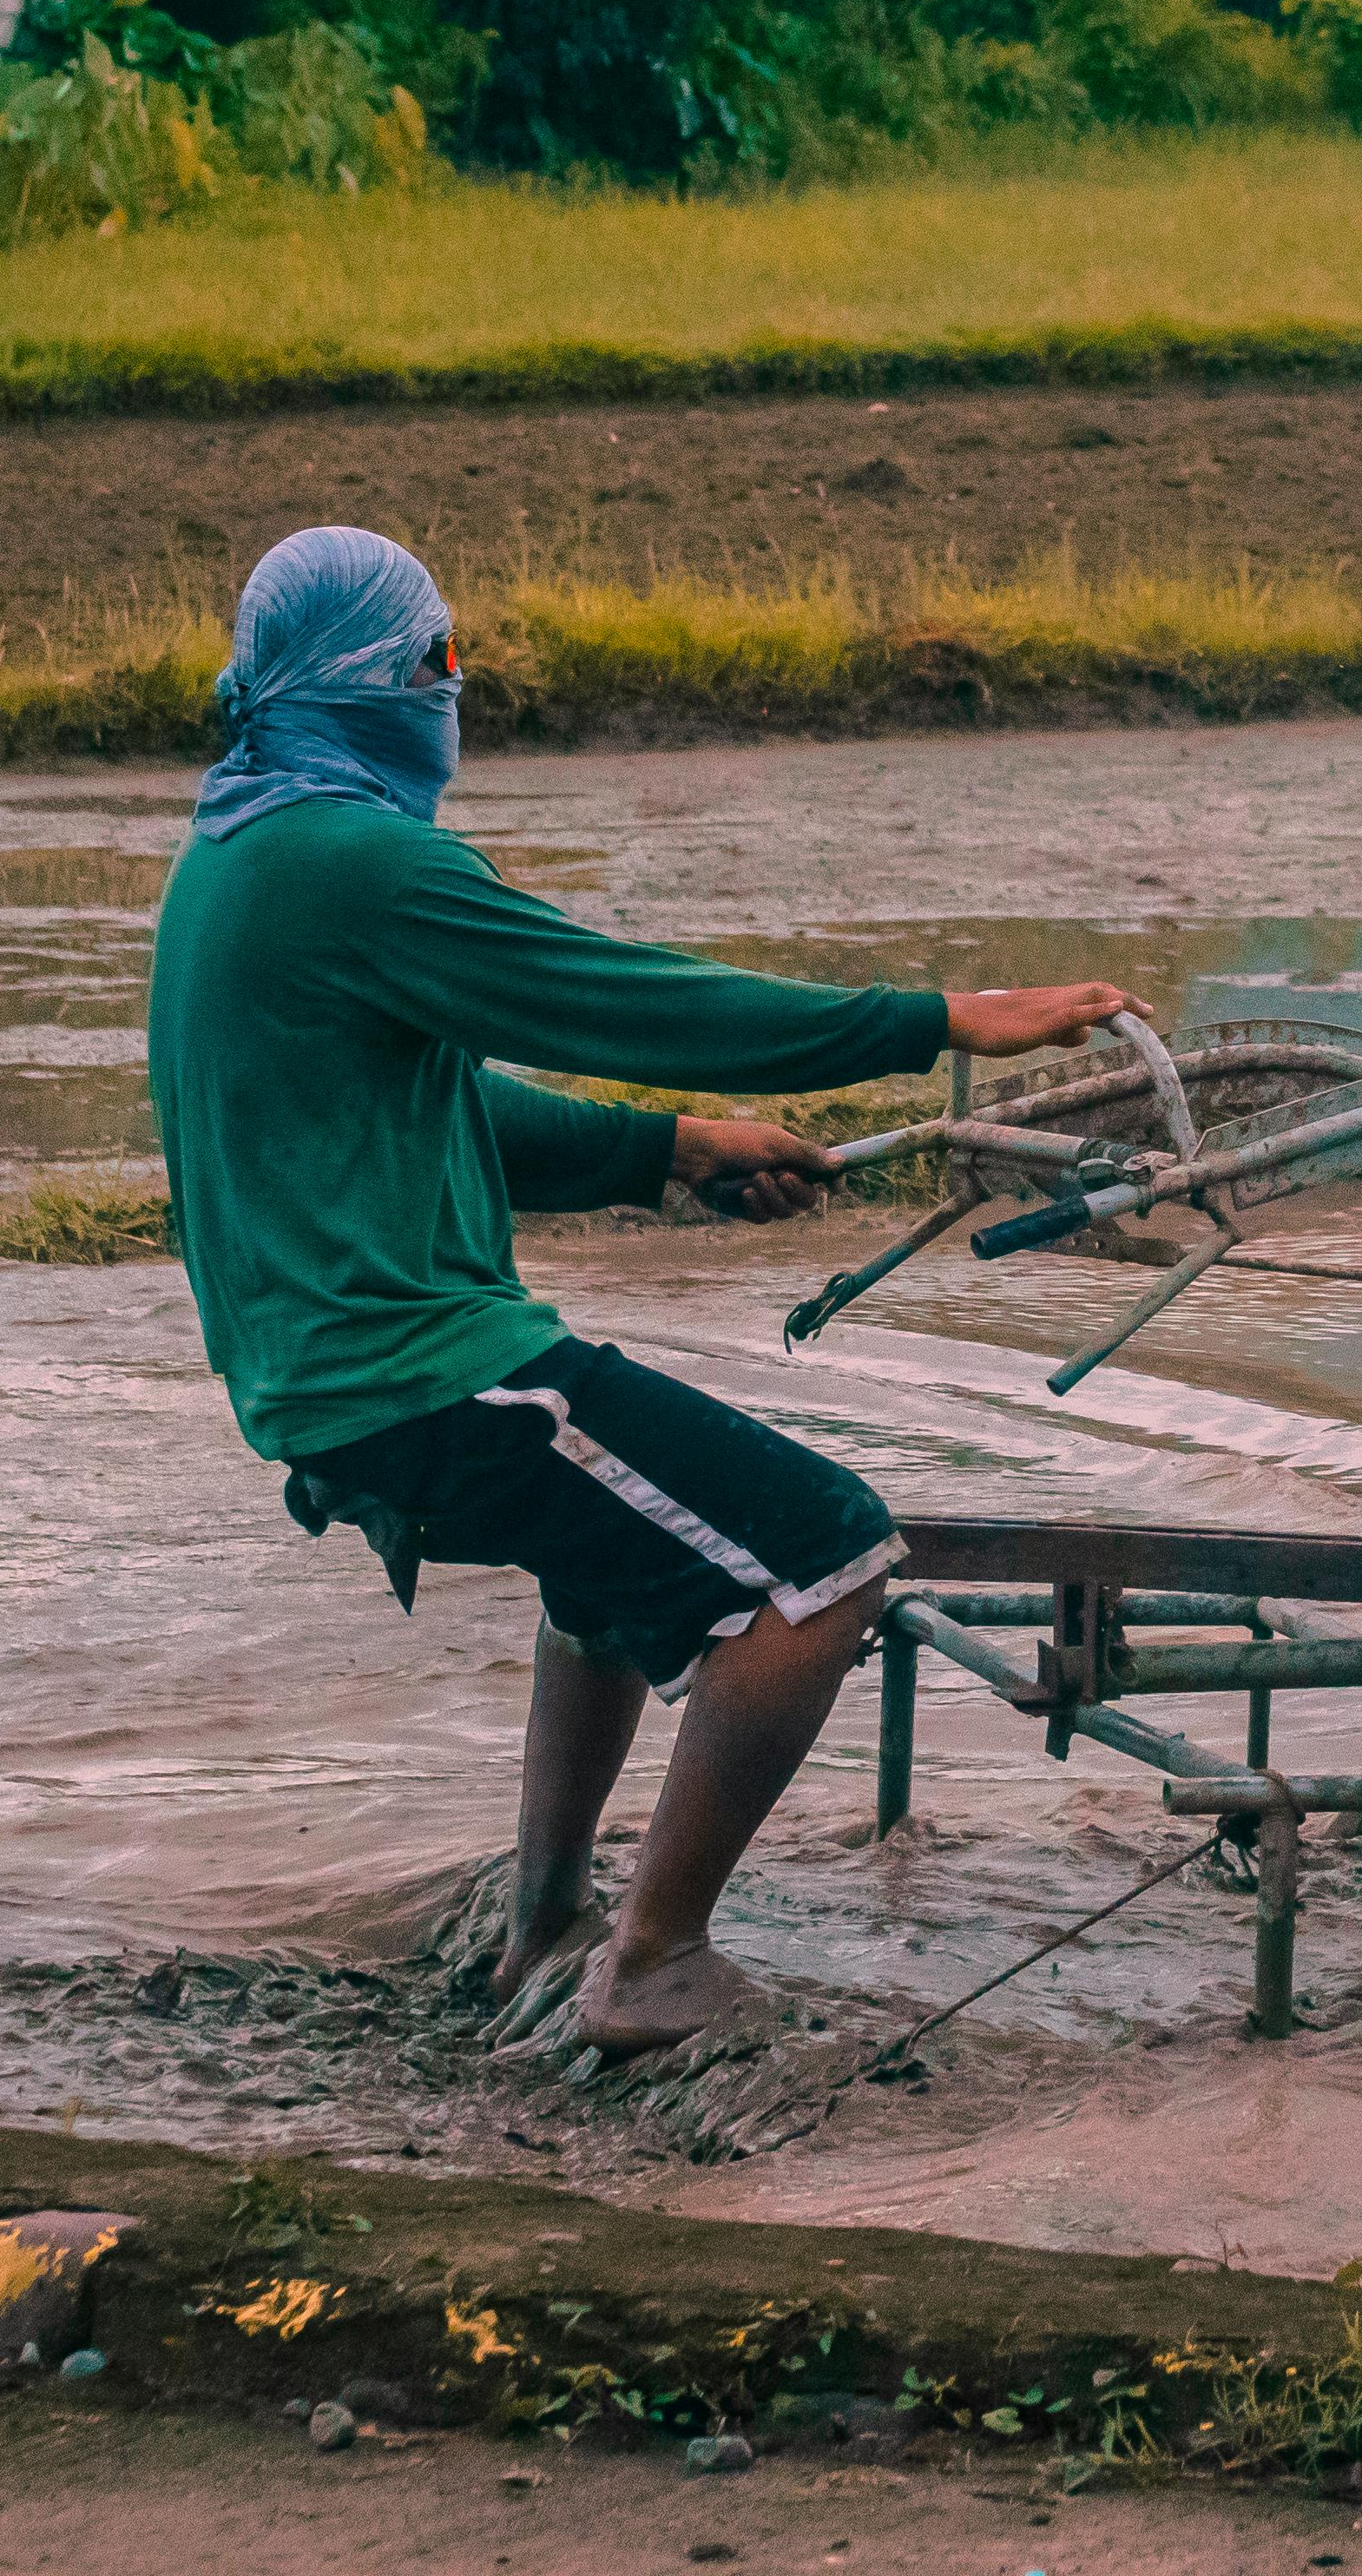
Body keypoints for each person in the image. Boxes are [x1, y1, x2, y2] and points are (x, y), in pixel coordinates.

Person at [144, 526, 1138, 2052]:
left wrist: (664, 1154)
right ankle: (655, 1956)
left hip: (333, 1375)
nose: (450, 691)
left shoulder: (235, 854)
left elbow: (446, 1106)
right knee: (827, 1562)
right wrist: (933, 1018)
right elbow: (619, 997)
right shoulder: (352, 861)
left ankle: (548, 1924)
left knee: (609, 1577)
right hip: (417, 1372)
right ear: (383, 680)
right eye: (441, 663)